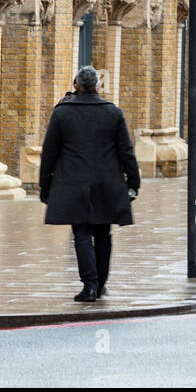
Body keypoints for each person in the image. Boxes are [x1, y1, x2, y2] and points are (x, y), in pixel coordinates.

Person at [39, 66, 139, 302]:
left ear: (77, 85)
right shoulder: (113, 112)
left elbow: (49, 153)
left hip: (73, 183)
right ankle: (101, 283)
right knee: (103, 233)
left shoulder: (62, 113)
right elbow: (126, 151)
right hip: (107, 183)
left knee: (81, 232)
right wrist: (133, 182)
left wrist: (45, 186)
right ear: (98, 86)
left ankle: (90, 286)